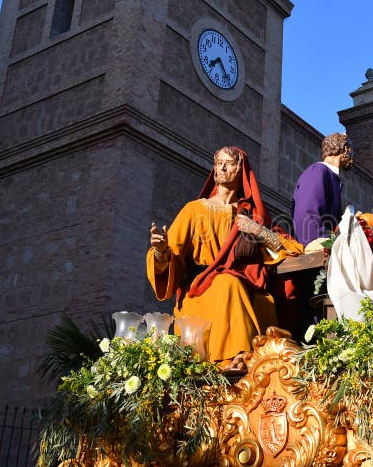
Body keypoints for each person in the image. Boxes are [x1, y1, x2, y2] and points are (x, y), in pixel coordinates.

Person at [148, 146, 301, 370]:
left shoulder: (249, 213)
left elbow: (292, 248)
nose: (221, 167)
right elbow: (174, 258)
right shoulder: (195, 210)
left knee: (262, 299)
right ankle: (235, 358)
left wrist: (259, 231)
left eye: (229, 162)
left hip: (245, 284)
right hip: (202, 286)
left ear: (241, 170)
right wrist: (161, 251)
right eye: (218, 162)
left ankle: (265, 363)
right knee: (228, 284)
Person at [291, 133, 354, 246]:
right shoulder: (318, 171)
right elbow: (306, 211)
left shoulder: (332, 177)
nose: (352, 156)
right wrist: (319, 243)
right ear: (344, 148)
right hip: (316, 252)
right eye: (351, 151)